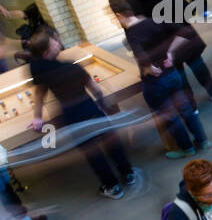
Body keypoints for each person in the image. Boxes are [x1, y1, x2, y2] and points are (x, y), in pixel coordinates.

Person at [26, 29, 139, 200]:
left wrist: (37, 116)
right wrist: (104, 106)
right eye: (55, 42)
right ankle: (128, 174)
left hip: (70, 114)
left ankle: (112, 186)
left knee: (91, 152)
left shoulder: (37, 69)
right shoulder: (71, 67)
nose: (59, 43)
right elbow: (94, 88)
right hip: (89, 107)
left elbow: (40, 93)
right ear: (46, 51)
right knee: (110, 140)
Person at [110, 0, 209, 159]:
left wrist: (149, 66)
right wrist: (171, 51)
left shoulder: (132, 34)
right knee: (186, 110)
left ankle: (187, 148)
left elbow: (141, 57)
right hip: (172, 74)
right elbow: (186, 31)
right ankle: (203, 141)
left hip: (156, 83)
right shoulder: (154, 21)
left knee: (170, 116)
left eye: (113, 19)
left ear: (119, 15)